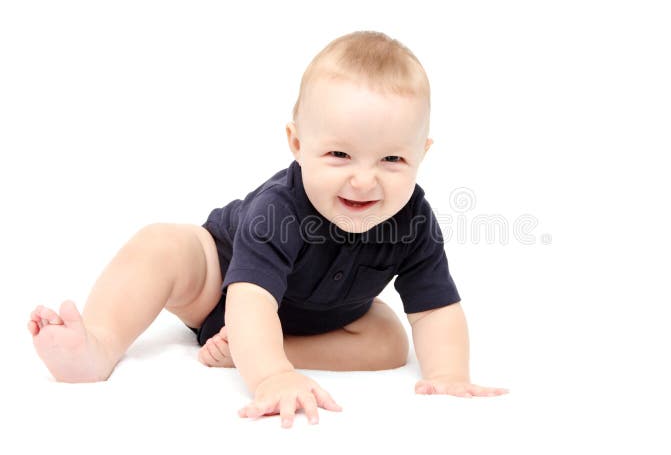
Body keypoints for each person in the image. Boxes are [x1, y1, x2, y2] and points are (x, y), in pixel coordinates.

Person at [28, 30, 509, 428]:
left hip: (315, 318)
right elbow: (251, 299)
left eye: (392, 159)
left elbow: (435, 309)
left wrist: (449, 373)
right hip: (221, 286)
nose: (365, 179)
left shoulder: (414, 221)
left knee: (390, 341)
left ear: (422, 154)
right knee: (164, 245)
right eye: (339, 154)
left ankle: (245, 350)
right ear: (297, 144)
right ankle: (97, 345)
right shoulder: (278, 209)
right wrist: (273, 376)